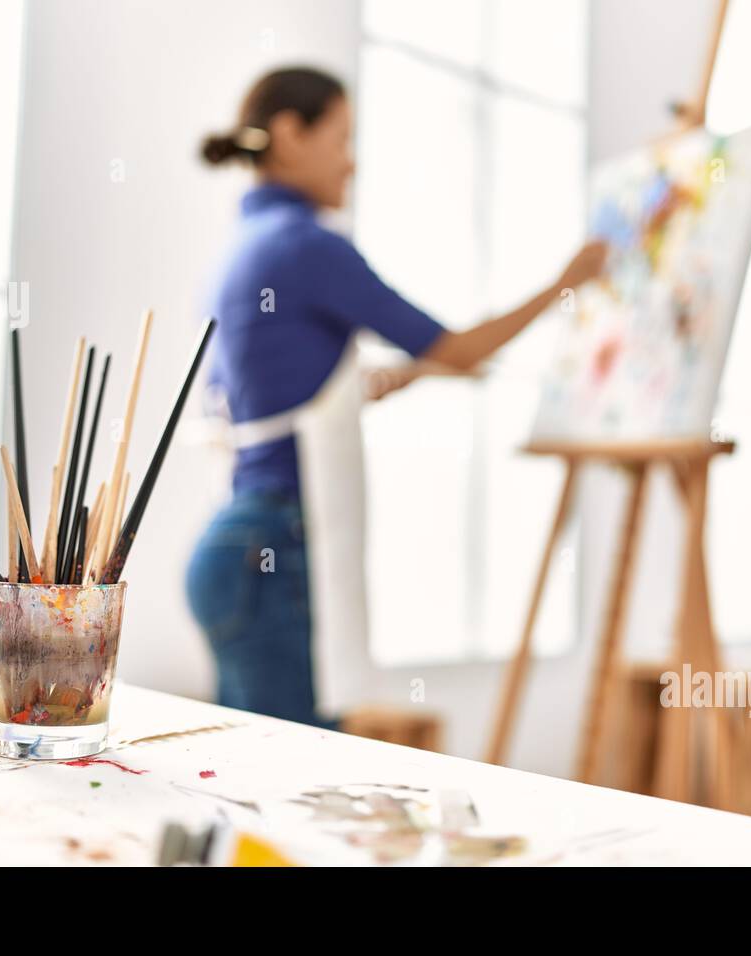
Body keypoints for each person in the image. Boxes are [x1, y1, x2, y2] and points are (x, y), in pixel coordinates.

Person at [186, 66, 606, 728]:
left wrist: (409, 376)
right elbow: (457, 347)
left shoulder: (242, 249)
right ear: (292, 135)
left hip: (229, 547)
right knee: (297, 782)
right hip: (277, 548)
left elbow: (283, 398)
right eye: (342, 138)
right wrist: (566, 284)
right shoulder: (308, 247)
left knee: (247, 784)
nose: (351, 165)